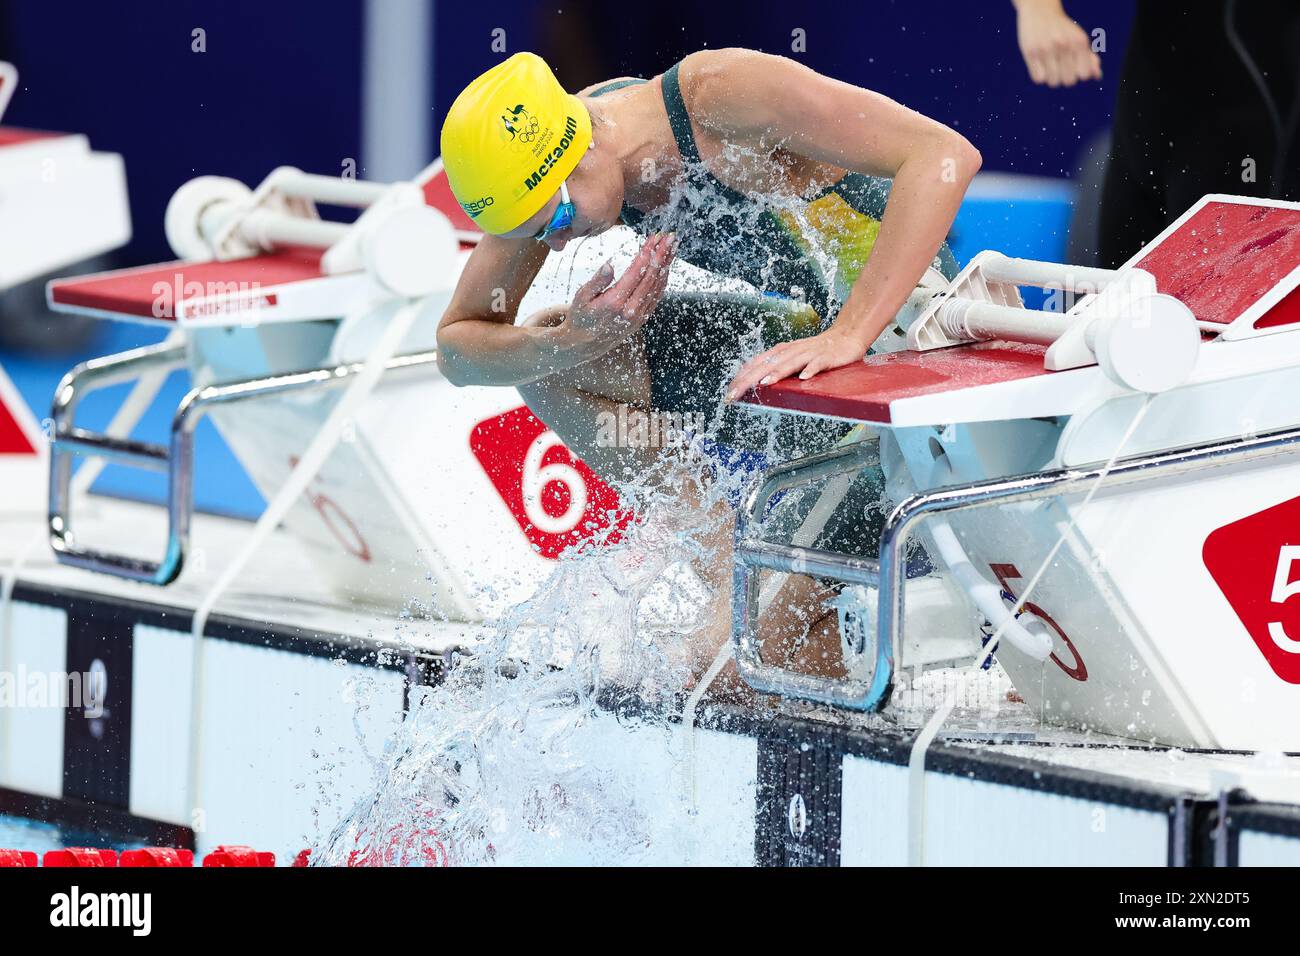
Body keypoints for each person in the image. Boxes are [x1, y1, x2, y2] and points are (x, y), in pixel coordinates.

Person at [436, 49, 979, 686]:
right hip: (812, 362)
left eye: (556, 220)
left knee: (729, 669)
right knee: (550, 359)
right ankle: (732, 570)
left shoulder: (721, 95)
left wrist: (850, 332)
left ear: (578, 152)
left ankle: (815, 618)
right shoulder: (551, 151)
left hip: (915, 366)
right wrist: (574, 339)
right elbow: (457, 348)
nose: (556, 242)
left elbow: (943, 156)